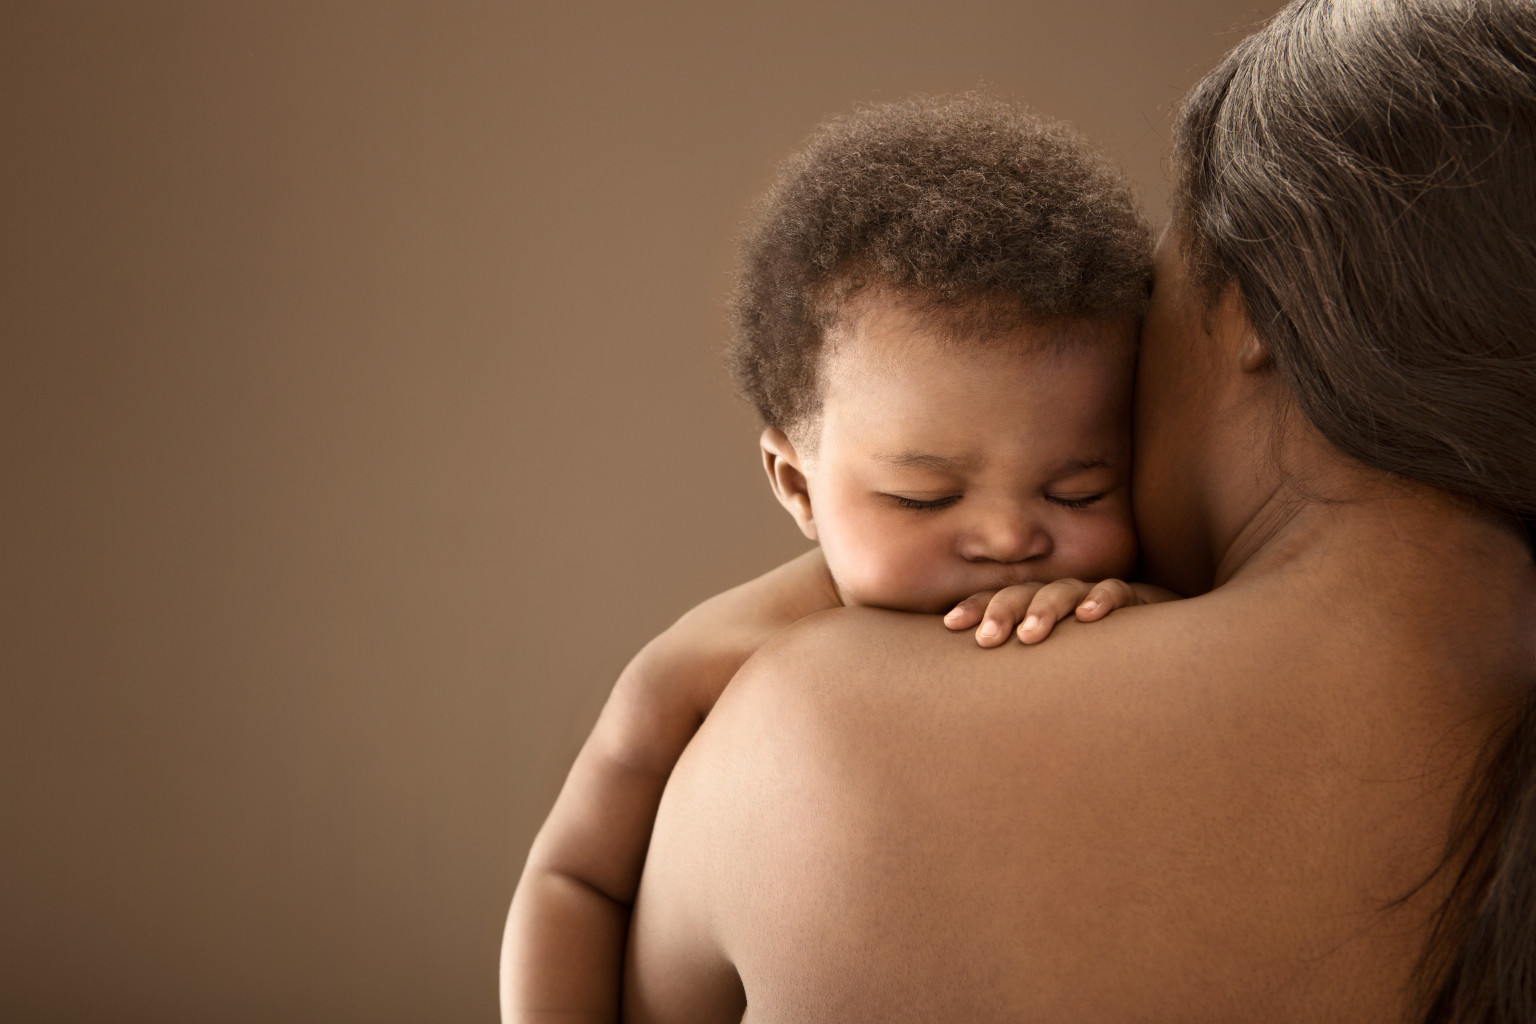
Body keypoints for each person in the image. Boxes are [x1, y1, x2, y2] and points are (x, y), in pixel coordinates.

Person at [621, 1, 1536, 1021]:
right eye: (926, 494)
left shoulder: (807, 745)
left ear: (1252, 312)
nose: (1012, 538)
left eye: (1168, 264)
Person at [501, 95, 1177, 1021]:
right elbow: (572, 879)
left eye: (1079, 491)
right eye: (925, 499)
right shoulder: (712, 659)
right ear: (796, 484)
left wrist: (1137, 612)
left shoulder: (1111, 600)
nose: (1010, 538)